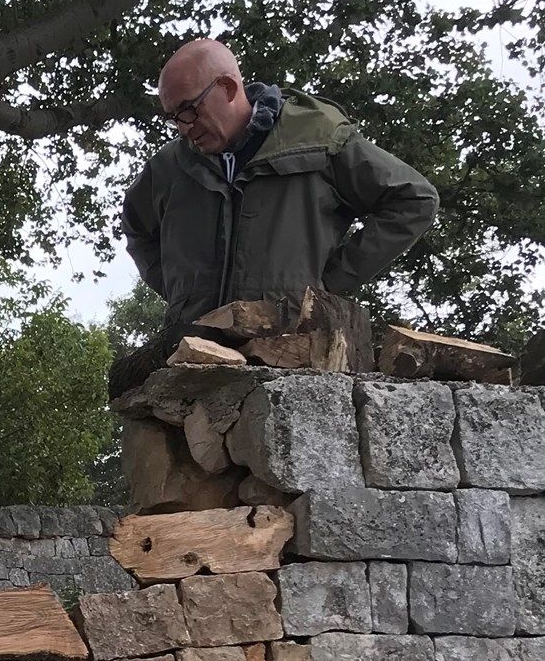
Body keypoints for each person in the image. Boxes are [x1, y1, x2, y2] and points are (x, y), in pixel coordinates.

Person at [113, 37, 439, 397]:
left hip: (292, 363)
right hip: (190, 368)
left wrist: (329, 281)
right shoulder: (167, 168)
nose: (184, 126)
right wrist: (179, 292)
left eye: (189, 109)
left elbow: (414, 199)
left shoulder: (319, 137)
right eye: (173, 116)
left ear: (228, 87)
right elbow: (136, 229)